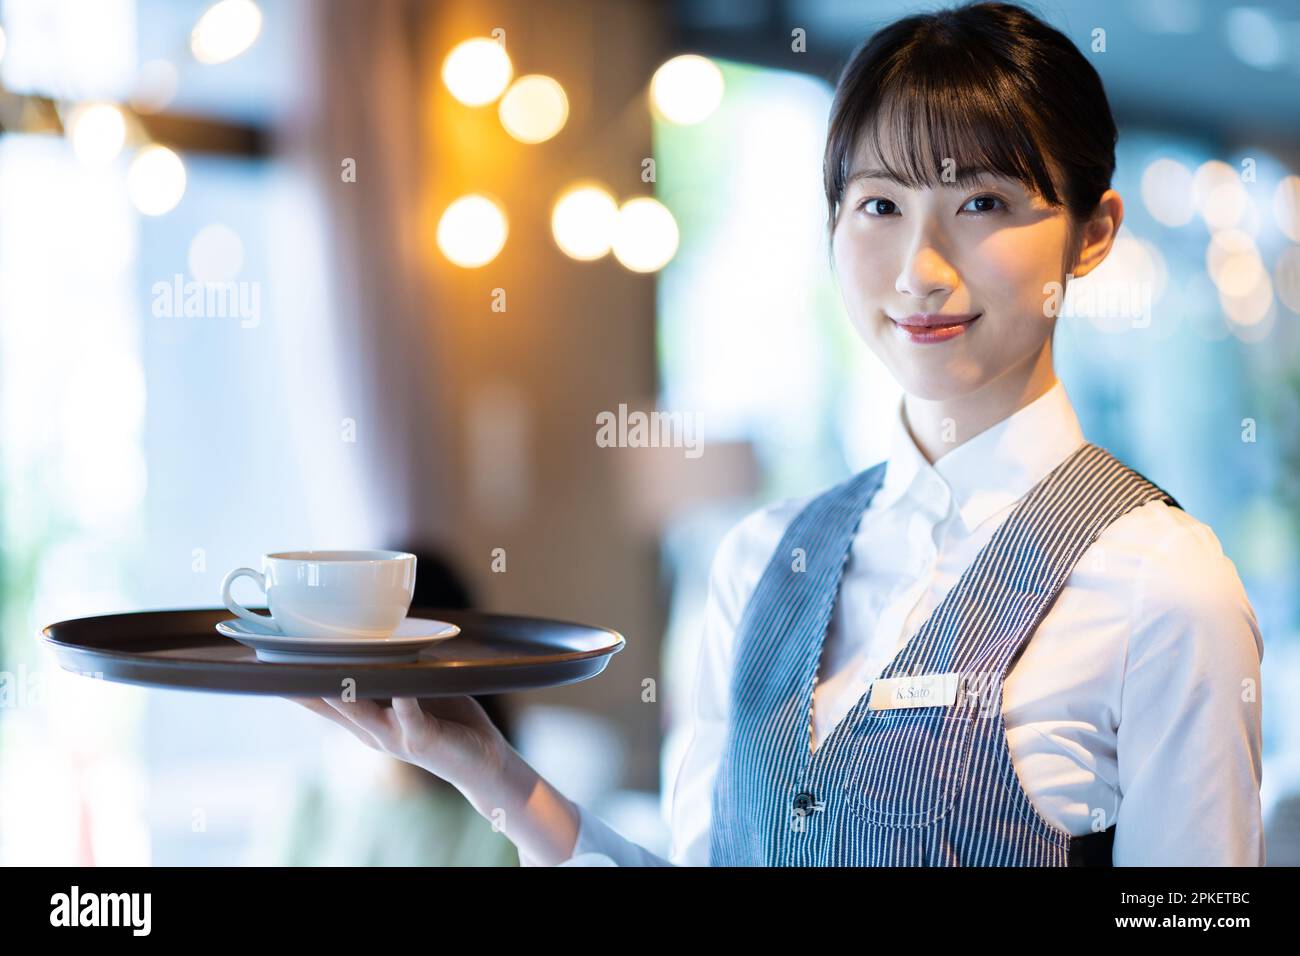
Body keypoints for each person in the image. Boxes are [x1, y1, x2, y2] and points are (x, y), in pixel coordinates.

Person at [289, 0, 1265, 866]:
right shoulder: (757, 564)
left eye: (982, 202)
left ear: (1091, 232)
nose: (920, 268)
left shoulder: (1160, 587)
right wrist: (489, 770)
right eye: (879, 204)